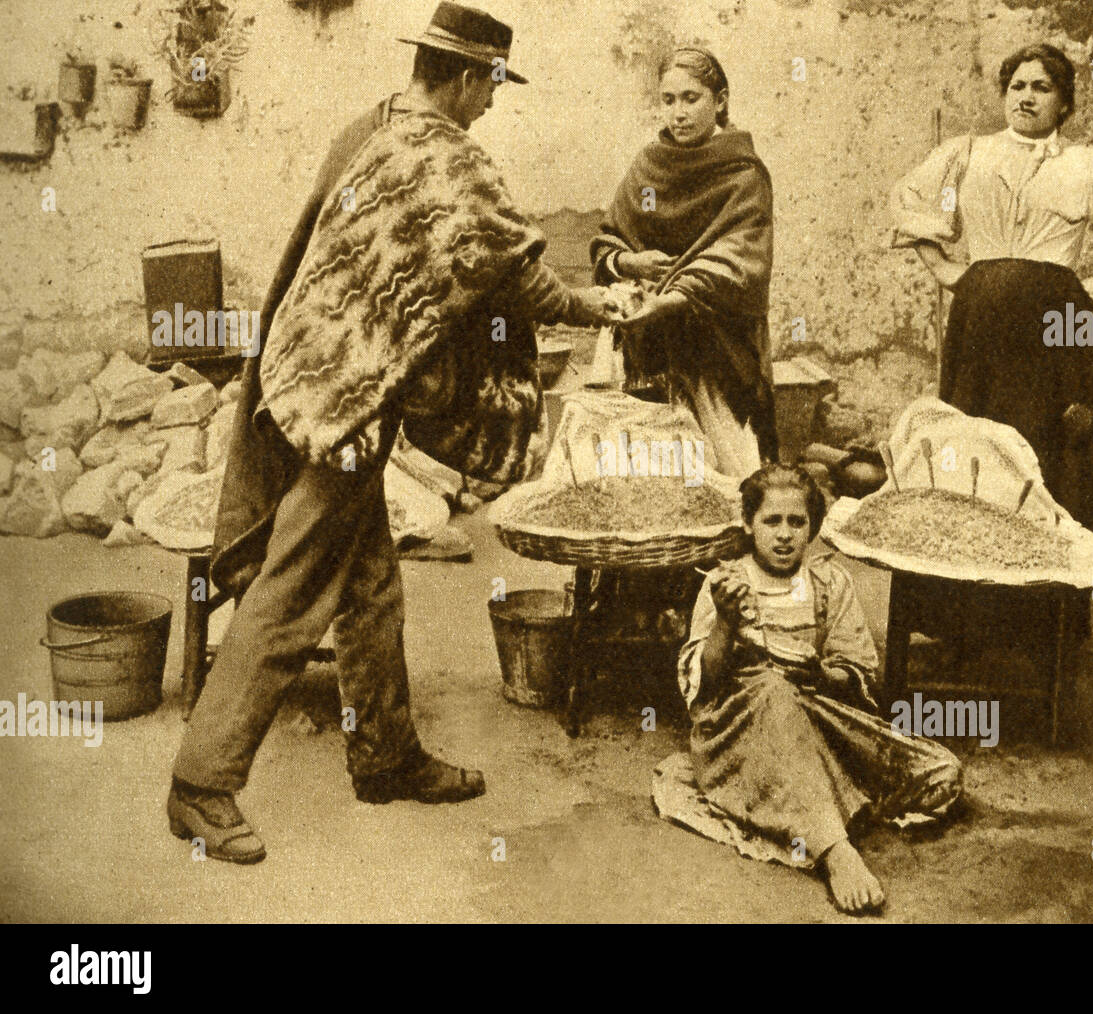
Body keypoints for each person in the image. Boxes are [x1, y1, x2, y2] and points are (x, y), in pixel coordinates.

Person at [166, 3, 619, 864]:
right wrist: (592, 306)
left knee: (370, 584)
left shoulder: (374, 130)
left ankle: (385, 754)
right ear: (464, 77)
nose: (491, 104)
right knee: (296, 587)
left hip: (311, 373)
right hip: (345, 400)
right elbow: (514, 270)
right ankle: (201, 782)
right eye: (490, 86)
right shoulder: (444, 156)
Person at [889, 42, 1093, 665]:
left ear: (1065, 103)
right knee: (970, 462)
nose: (1026, 97)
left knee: (1054, 461)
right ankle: (961, 625)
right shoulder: (970, 154)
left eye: (1042, 88)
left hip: (1060, 330)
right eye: (1017, 86)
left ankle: (1041, 635)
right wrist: (951, 271)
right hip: (981, 330)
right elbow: (910, 202)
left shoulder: (1092, 166)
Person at [679, 464, 963, 915]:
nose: (785, 535)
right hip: (740, 728)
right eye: (771, 521)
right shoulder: (725, 583)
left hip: (814, 709)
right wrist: (726, 626)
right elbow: (704, 685)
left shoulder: (830, 582)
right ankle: (835, 851)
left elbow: (859, 678)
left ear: (813, 527)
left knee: (940, 774)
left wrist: (820, 675)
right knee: (773, 689)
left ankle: (824, 798)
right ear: (749, 524)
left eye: (797, 522)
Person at [590, 47, 777, 477]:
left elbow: (740, 259)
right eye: (668, 100)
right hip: (649, 346)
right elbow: (608, 240)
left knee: (727, 473)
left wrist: (675, 296)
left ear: (721, 100)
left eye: (691, 98)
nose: (678, 113)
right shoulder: (648, 168)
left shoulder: (743, 175)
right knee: (653, 475)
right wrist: (629, 263)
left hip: (716, 349)